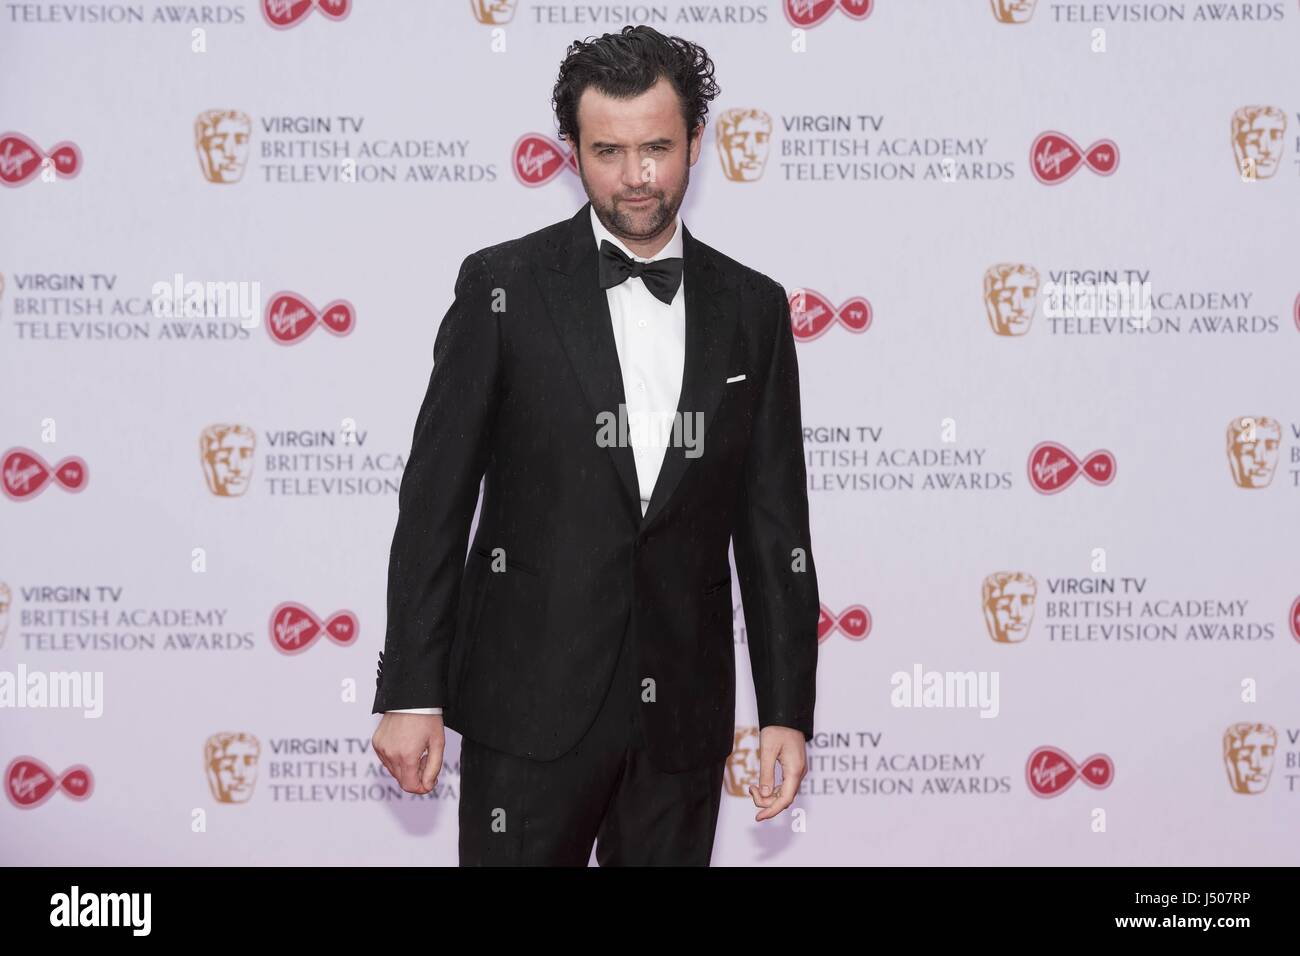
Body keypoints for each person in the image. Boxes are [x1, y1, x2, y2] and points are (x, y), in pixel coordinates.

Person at [370, 25, 819, 866]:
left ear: (696, 142)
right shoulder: (502, 287)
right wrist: (412, 691)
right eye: (608, 151)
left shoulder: (753, 309)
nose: (636, 176)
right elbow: (435, 501)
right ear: (570, 154)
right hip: (526, 706)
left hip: (682, 718)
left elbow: (774, 527)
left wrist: (787, 710)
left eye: (657, 148)